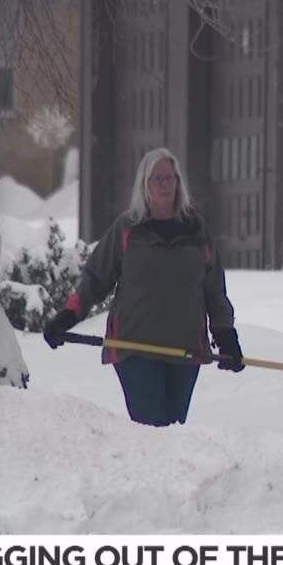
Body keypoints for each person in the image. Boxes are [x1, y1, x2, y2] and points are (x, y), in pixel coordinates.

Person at [42, 148, 244, 426]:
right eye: (156, 178)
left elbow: (214, 291)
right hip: (134, 348)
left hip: (186, 352)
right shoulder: (128, 229)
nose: (164, 184)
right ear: (144, 185)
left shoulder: (197, 231)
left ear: (178, 182)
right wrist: (68, 316)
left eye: (169, 177)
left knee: (173, 432)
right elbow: (95, 279)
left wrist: (225, 336)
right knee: (151, 428)